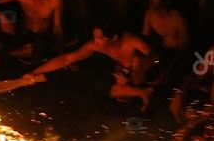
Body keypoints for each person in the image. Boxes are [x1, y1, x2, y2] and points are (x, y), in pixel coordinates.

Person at [24, 24, 157, 110]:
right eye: (94, 36)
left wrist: (135, 75)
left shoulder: (132, 41)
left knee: (137, 63)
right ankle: (142, 93)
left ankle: (146, 92)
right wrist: (35, 72)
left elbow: (156, 58)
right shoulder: (96, 45)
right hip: (127, 73)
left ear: (113, 38)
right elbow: (66, 59)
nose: (95, 41)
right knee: (101, 85)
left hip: (148, 73)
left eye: (100, 38)